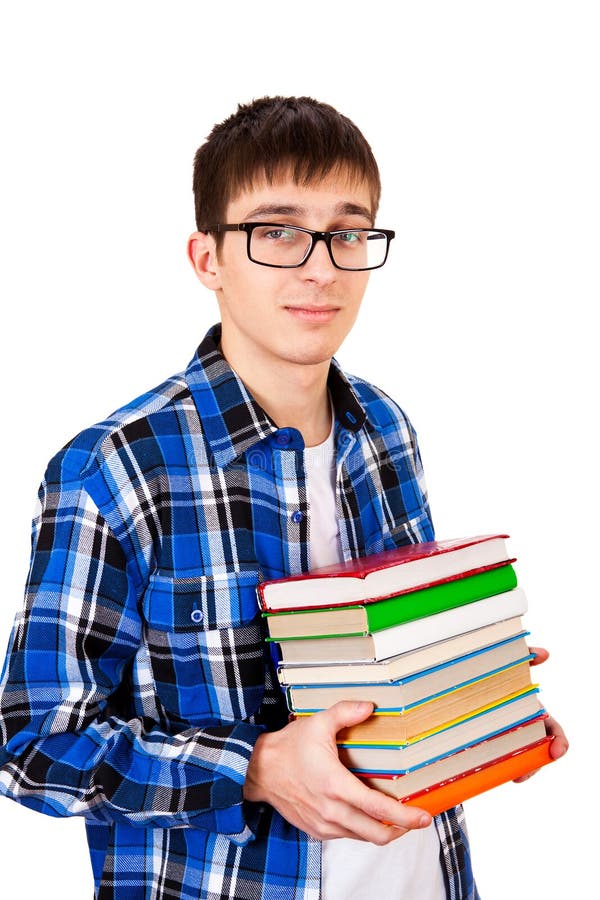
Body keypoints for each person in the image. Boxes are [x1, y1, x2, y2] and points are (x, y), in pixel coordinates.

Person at [0, 96, 567, 899]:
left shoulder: (385, 430)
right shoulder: (115, 469)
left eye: (348, 231)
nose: (322, 267)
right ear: (208, 260)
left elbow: (390, 669)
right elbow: (33, 745)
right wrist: (257, 768)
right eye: (277, 231)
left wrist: (476, 703)